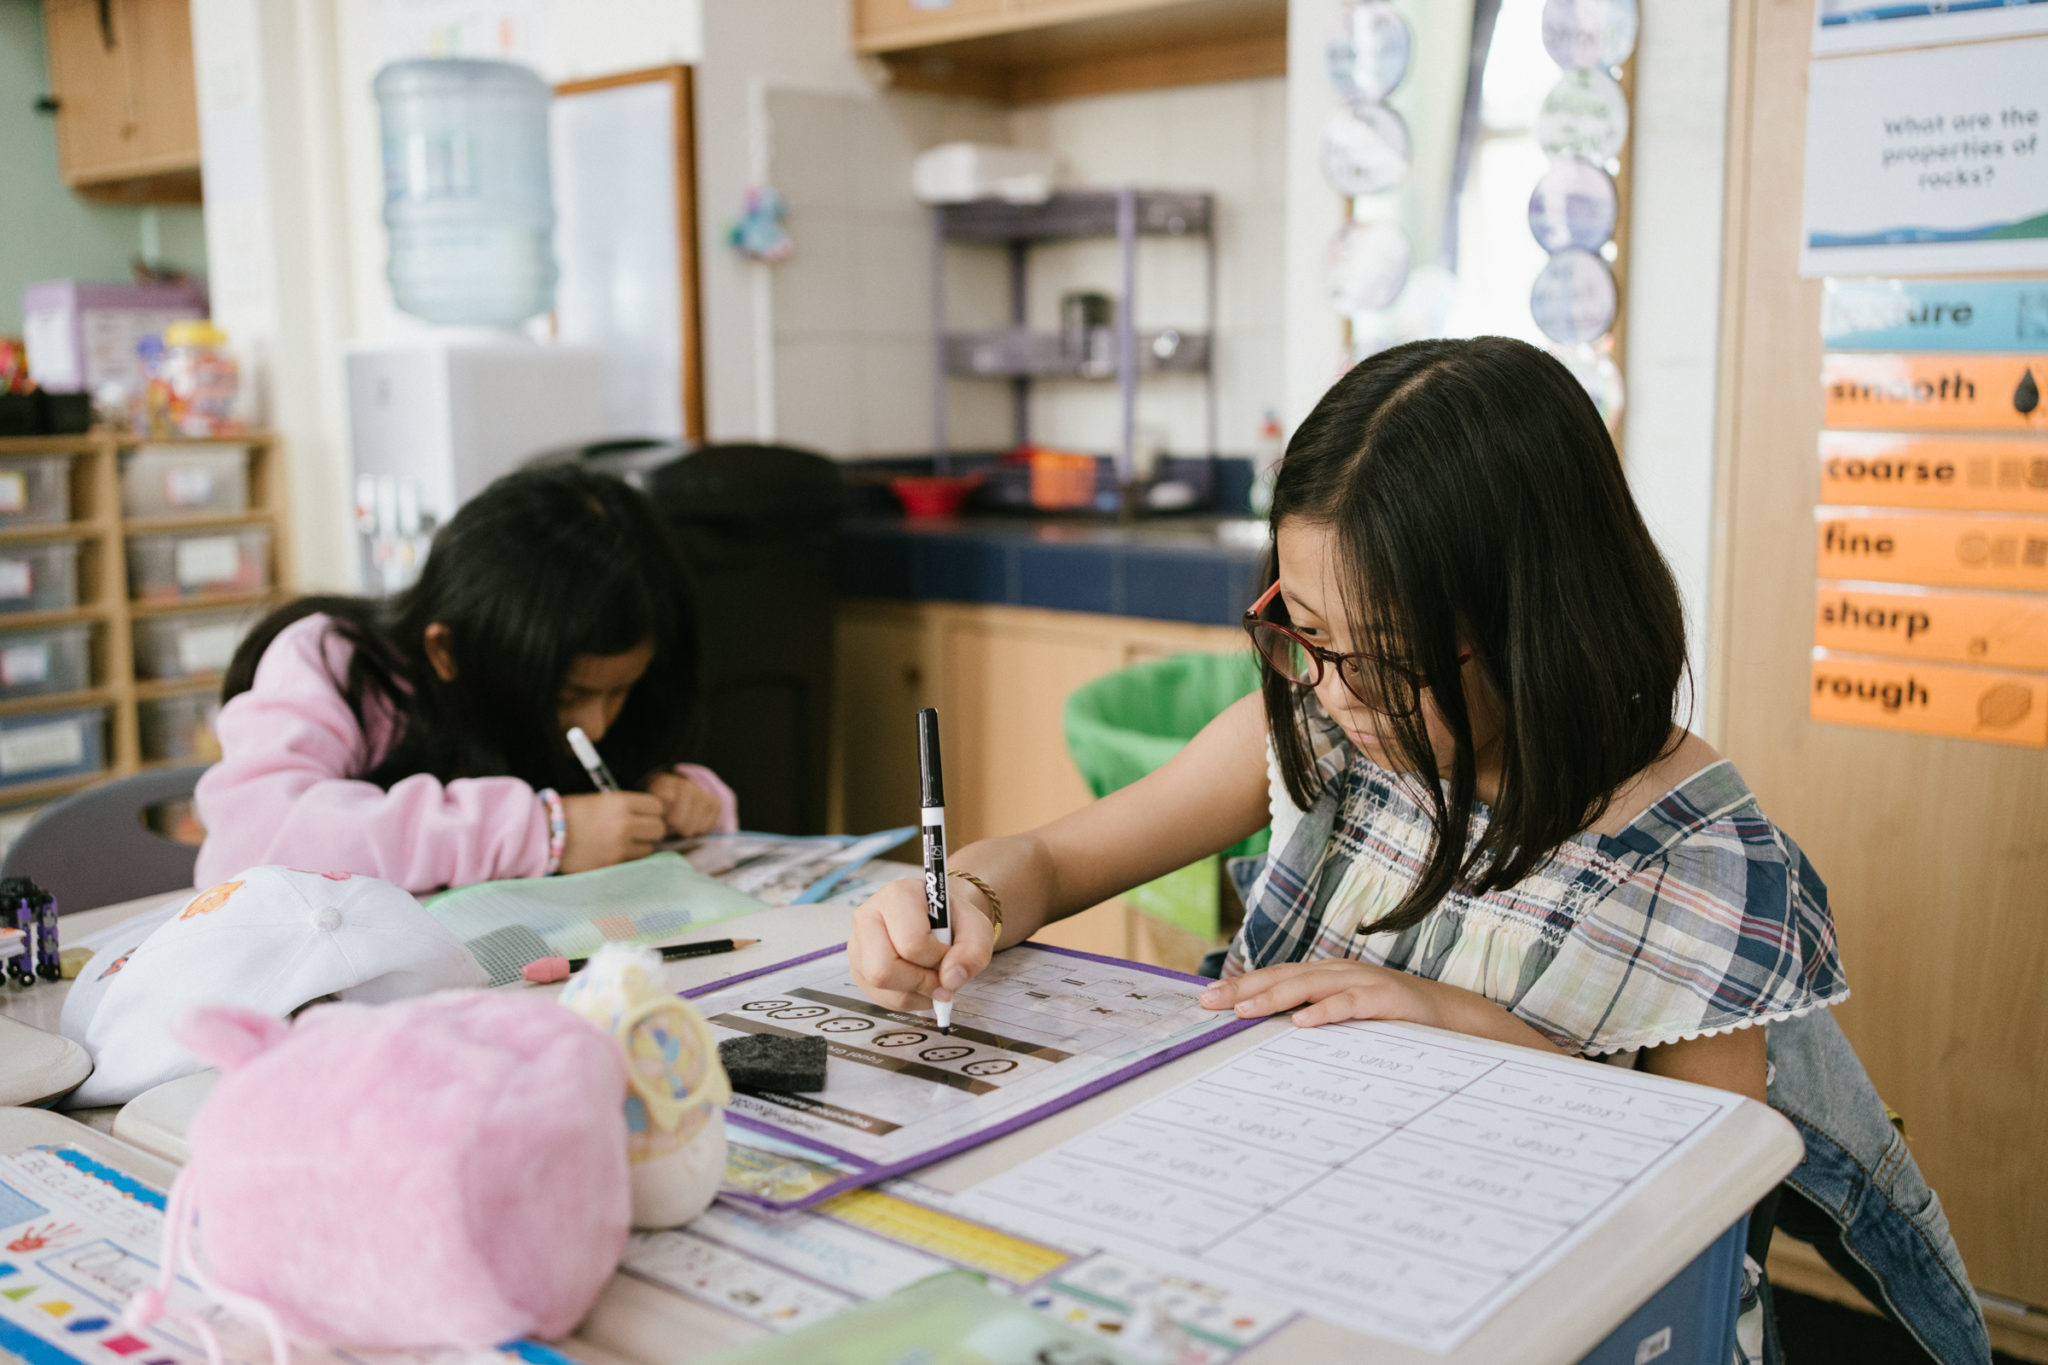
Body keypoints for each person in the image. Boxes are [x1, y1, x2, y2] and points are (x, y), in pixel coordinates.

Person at [193, 464, 734, 893]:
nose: (595, 726)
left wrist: (674, 799)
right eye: (570, 696)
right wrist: (541, 833)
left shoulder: (596, 699)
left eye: (622, 690)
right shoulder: (336, 664)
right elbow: (252, 844)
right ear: (447, 650)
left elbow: (609, 803)